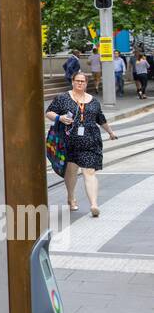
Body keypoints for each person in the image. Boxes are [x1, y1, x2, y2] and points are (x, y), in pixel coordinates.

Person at [46, 70, 117, 217]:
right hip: (69, 143)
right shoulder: (63, 98)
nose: (80, 83)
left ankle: (94, 204)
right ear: (72, 82)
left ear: (86, 83)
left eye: (82, 81)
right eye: (77, 81)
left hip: (90, 142)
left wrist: (110, 132)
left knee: (89, 172)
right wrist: (60, 118)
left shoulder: (93, 100)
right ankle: (71, 198)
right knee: (71, 173)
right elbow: (49, 112)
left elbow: (100, 118)